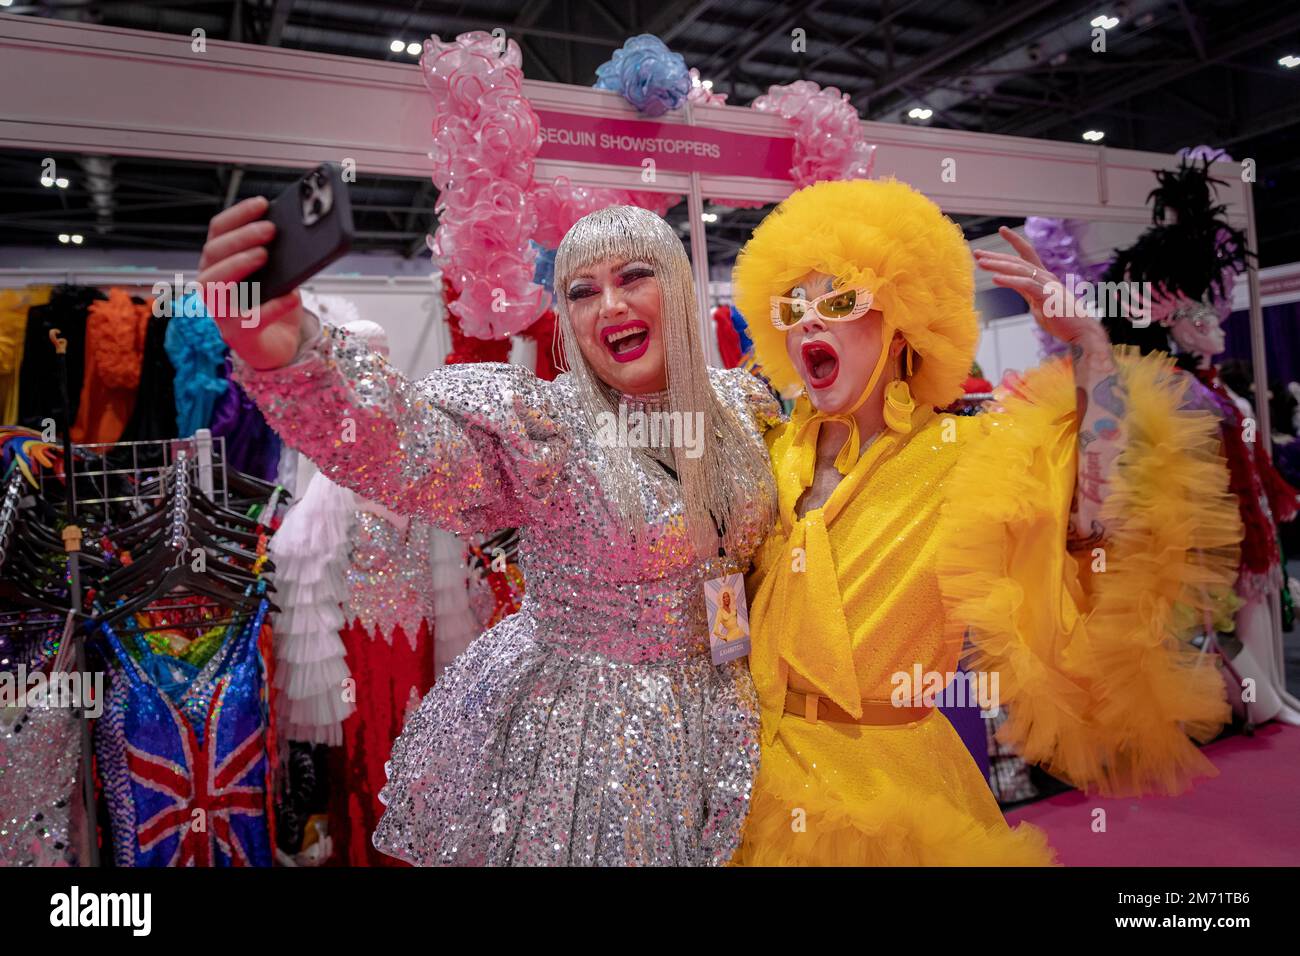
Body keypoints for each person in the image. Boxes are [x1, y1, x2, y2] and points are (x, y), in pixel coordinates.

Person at [196, 198, 779, 865]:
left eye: (635, 276)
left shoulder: (742, 407)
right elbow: (409, 447)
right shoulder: (548, 433)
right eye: (583, 291)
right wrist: (295, 355)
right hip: (601, 744)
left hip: (736, 715)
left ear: (679, 284)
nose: (610, 305)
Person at [729, 178, 1242, 866]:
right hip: (753, 775)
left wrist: (1089, 342)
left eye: (841, 300)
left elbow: (1095, 523)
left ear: (905, 319)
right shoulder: (767, 449)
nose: (809, 323)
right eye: (793, 306)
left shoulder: (965, 456)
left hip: (890, 789)